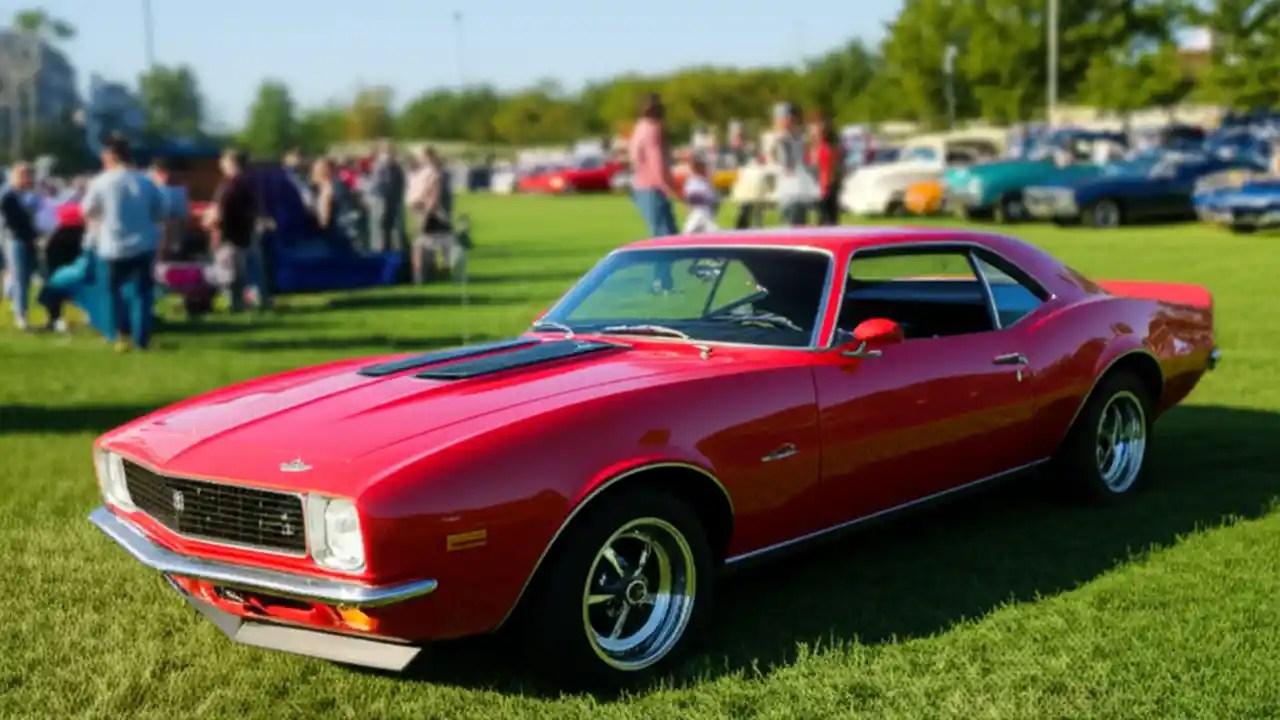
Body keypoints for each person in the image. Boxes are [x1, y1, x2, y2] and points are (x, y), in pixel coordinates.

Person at [81, 136, 167, 351]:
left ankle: (117, 335)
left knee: (112, 293)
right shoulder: (146, 181)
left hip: (111, 244)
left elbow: (87, 210)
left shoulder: (101, 181)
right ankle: (141, 339)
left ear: (111, 157)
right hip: (142, 243)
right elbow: (160, 211)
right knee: (142, 294)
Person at [205, 148, 264, 313]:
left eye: (223, 162)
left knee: (229, 274)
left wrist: (208, 221)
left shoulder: (230, 185)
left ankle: (235, 304)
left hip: (229, 234)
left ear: (230, 163)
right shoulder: (251, 183)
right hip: (245, 232)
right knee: (241, 272)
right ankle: (245, 302)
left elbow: (219, 211)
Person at [406, 146, 460, 283]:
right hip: (427, 210)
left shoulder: (433, 173)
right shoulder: (427, 172)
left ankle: (430, 271)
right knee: (437, 242)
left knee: (428, 241)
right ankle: (436, 269)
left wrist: (426, 214)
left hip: (431, 212)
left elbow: (432, 196)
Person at [1, 162, 39, 331]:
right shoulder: (9, 194)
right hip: (15, 238)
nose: (29, 179)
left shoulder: (27, 195)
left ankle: (13, 300)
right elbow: (12, 218)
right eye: (25, 175)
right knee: (20, 278)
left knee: (25, 276)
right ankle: (20, 316)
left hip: (27, 238)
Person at [770, 102, 815, 227]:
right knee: (788, 216)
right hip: (787, 183)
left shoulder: (798, 137)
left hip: (799, 182)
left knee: (798, 216)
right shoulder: (780, 138)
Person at [367, 139, 406, 253]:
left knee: (380, 229)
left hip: (383, 199)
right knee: (389, 229)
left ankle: (381, 253)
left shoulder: (385, 165)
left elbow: (381, 184)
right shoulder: (394, 166)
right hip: (391, 199)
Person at [149, 158, 190, 260]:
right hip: (167, 217)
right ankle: (167, 256)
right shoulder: (180, 187)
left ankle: (169, 256)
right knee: (167, 234)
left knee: (169, 235)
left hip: (170, 215)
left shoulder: (179, 187)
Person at [811, 112, 845, 226]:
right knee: (823, 217)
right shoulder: (816, 147)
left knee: (828, 217)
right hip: (818, 185)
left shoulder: (828, 147)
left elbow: (833, 167)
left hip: (827, 185)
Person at [681, 157, 720, 234]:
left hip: (706, 212)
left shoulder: (705, 182)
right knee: (689, 231)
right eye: (705, 168)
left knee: (709, 231)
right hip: (699, 211)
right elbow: (691, 197)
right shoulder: (694, 181)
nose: (707, 170)